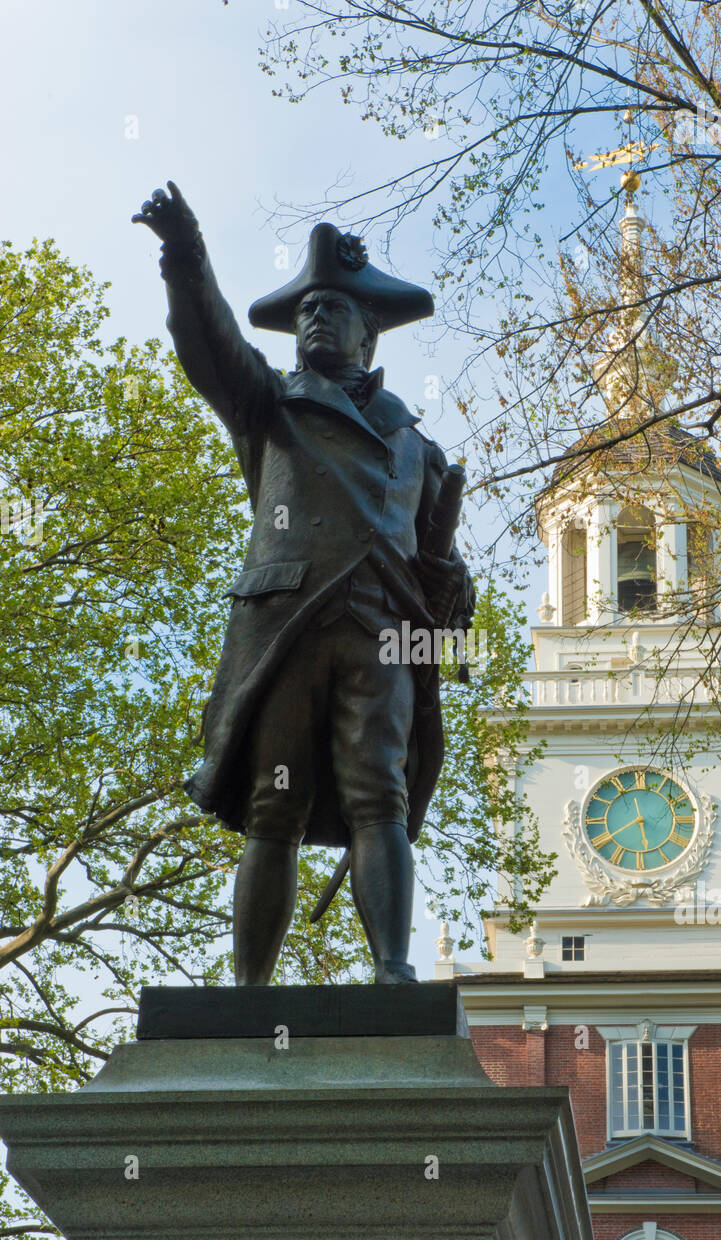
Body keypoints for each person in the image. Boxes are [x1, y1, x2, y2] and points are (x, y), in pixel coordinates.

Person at [133, 183, 474, 985]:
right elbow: (209, 340)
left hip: (384, 633)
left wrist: (448, 546)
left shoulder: (418, 450)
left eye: (333, 308)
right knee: (273, 808)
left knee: (378, 797)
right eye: (306, 309)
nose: (315, 319)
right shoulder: (267, 404)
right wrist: (185, 256)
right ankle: (250, 990)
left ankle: (393, 971)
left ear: (369, 329)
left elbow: (446, 609)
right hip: (284, 627)